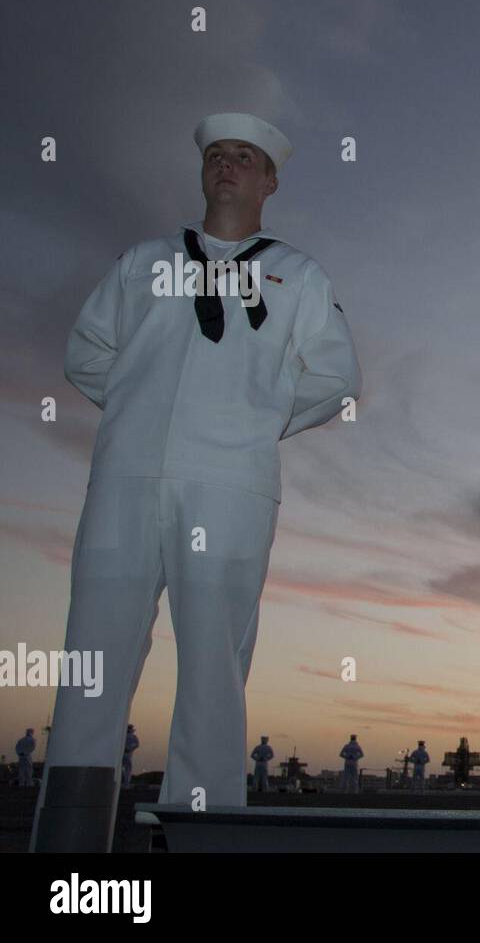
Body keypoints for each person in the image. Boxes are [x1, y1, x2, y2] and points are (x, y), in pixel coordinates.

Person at [31, 113, 362, 852]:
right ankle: (67, 855)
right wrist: (138, 411)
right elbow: (89, 351)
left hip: (230, 484)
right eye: (217, 154)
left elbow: (339, 378)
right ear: (201, 171)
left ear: (270, 180)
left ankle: (199, 842)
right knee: (92, 660)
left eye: (245, 157)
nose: (228, 165)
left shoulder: (298, 274)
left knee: (213, 665)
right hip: (124, 477)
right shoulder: (144, 261)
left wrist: (254, 420)